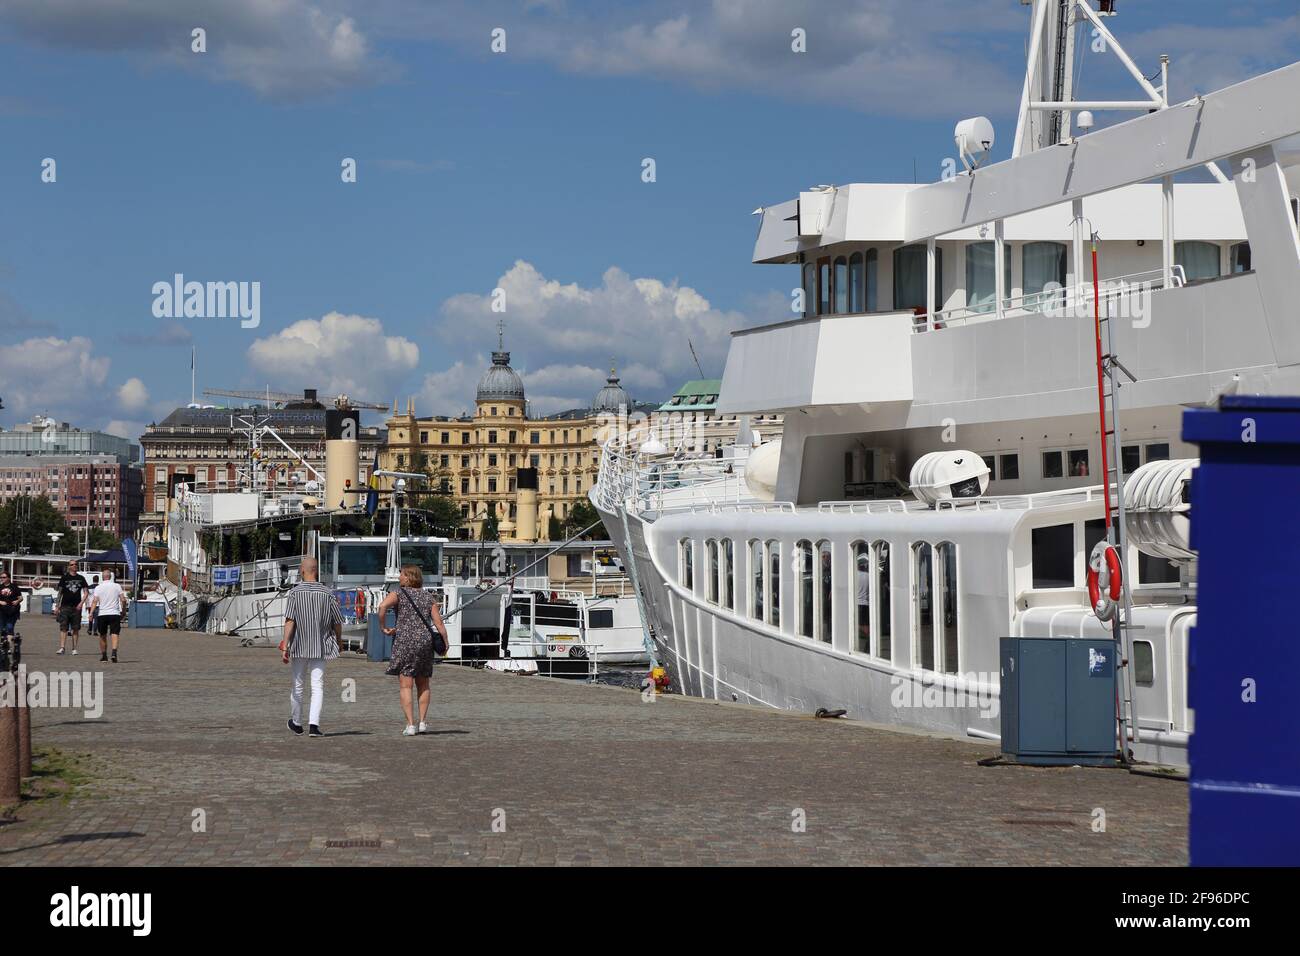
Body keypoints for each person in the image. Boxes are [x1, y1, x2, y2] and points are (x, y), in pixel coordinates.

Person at [374, 565, 448, 737]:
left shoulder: (398, 593)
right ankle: (422, 722)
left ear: (408, 578)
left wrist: (383, 626)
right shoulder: (428, 597)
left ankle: (410, 725)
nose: (399, 577)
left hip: (405, 642)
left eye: (401, 574)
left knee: (406, 685)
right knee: (423, 683)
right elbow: (439, 624)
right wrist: (445, 642)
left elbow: (382, 607)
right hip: (424, 642)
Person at [281, 557, 343, 738]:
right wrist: (339, 640)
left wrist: (285, 644)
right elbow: (337, 622)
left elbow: (290, 621)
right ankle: (314, 725)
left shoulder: (294, 593)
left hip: (300, 644)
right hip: (321, 644)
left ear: (302, 570)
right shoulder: (328, 593)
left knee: (298, 685)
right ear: (317, 571)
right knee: (318, 685)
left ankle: (297, 722)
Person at [89, 570, 126, 663]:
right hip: (114, 613)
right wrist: (124, 611)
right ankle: (114, 653)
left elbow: (95, 601)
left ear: (102, 577)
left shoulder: (98, 587)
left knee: (102, 635)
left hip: (102, 613)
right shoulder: (117, 586)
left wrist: (91, 613)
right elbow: (123, 600)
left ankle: (104, 655)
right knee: (115, 633)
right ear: (111, 577)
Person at [55, 561, 90, 656]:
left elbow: (86, 592)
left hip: (76, 607)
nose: (74, 566)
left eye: (75, 564)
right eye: (72, 564)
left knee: (75, 628)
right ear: (69, 567)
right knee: (63, 627)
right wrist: (57, 606)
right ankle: (62, 647)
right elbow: (60, 592)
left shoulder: (81, 578)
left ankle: (74, 648)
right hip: (65, 606)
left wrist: (81, 603)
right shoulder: (64, 578)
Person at [0, 569, 22, 644]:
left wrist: (17, 601)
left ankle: (8, 646)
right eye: (1, 577)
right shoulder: (0, 587)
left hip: (13, 611)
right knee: (2, 629)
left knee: (9, 627)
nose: (2, 579)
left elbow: (21, 597)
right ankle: (4, 644)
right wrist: (0, 602)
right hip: (2, 611)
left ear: (8, 578)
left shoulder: (14, 587)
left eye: (4, 577)